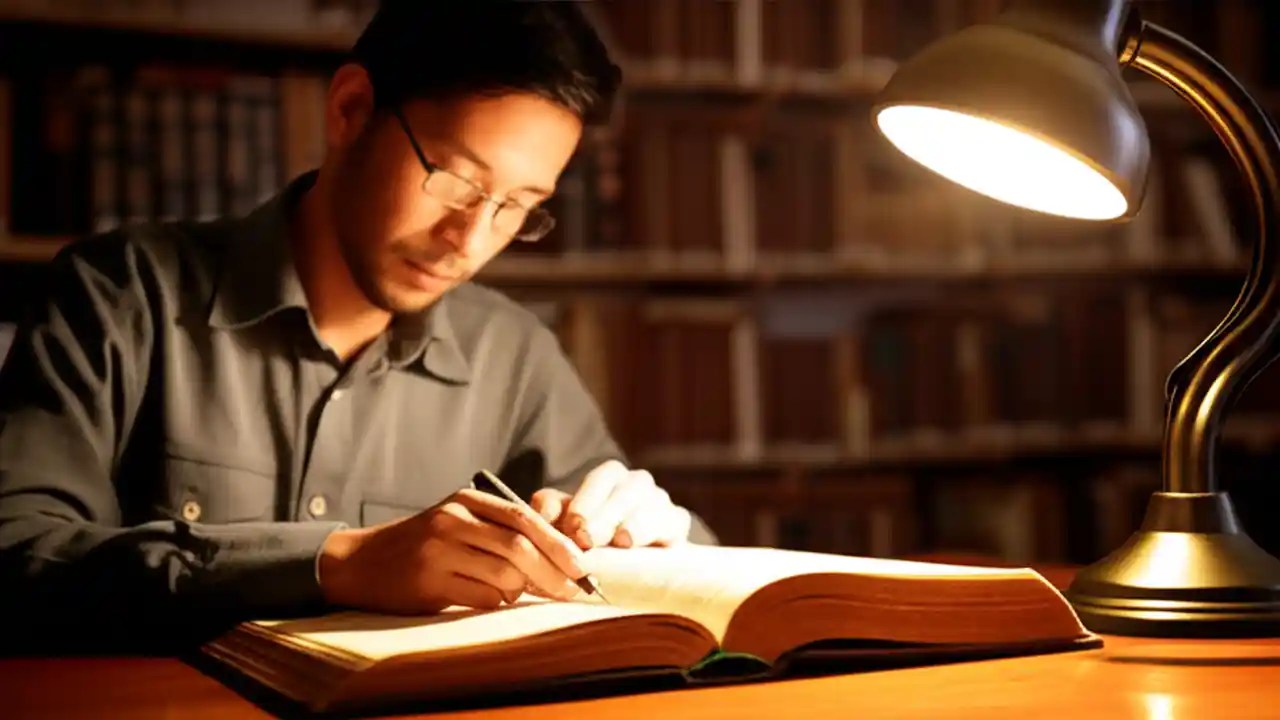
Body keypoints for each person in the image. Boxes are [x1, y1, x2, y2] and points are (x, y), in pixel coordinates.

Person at [0, 1, 714, 652]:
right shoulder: (123, 295)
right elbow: (19, 556)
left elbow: (682, 582)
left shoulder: (512, 354)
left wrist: (640, 532)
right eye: (458, 182)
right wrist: (337, 564)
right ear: (349, 110)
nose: (470, 240)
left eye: (518, 206)